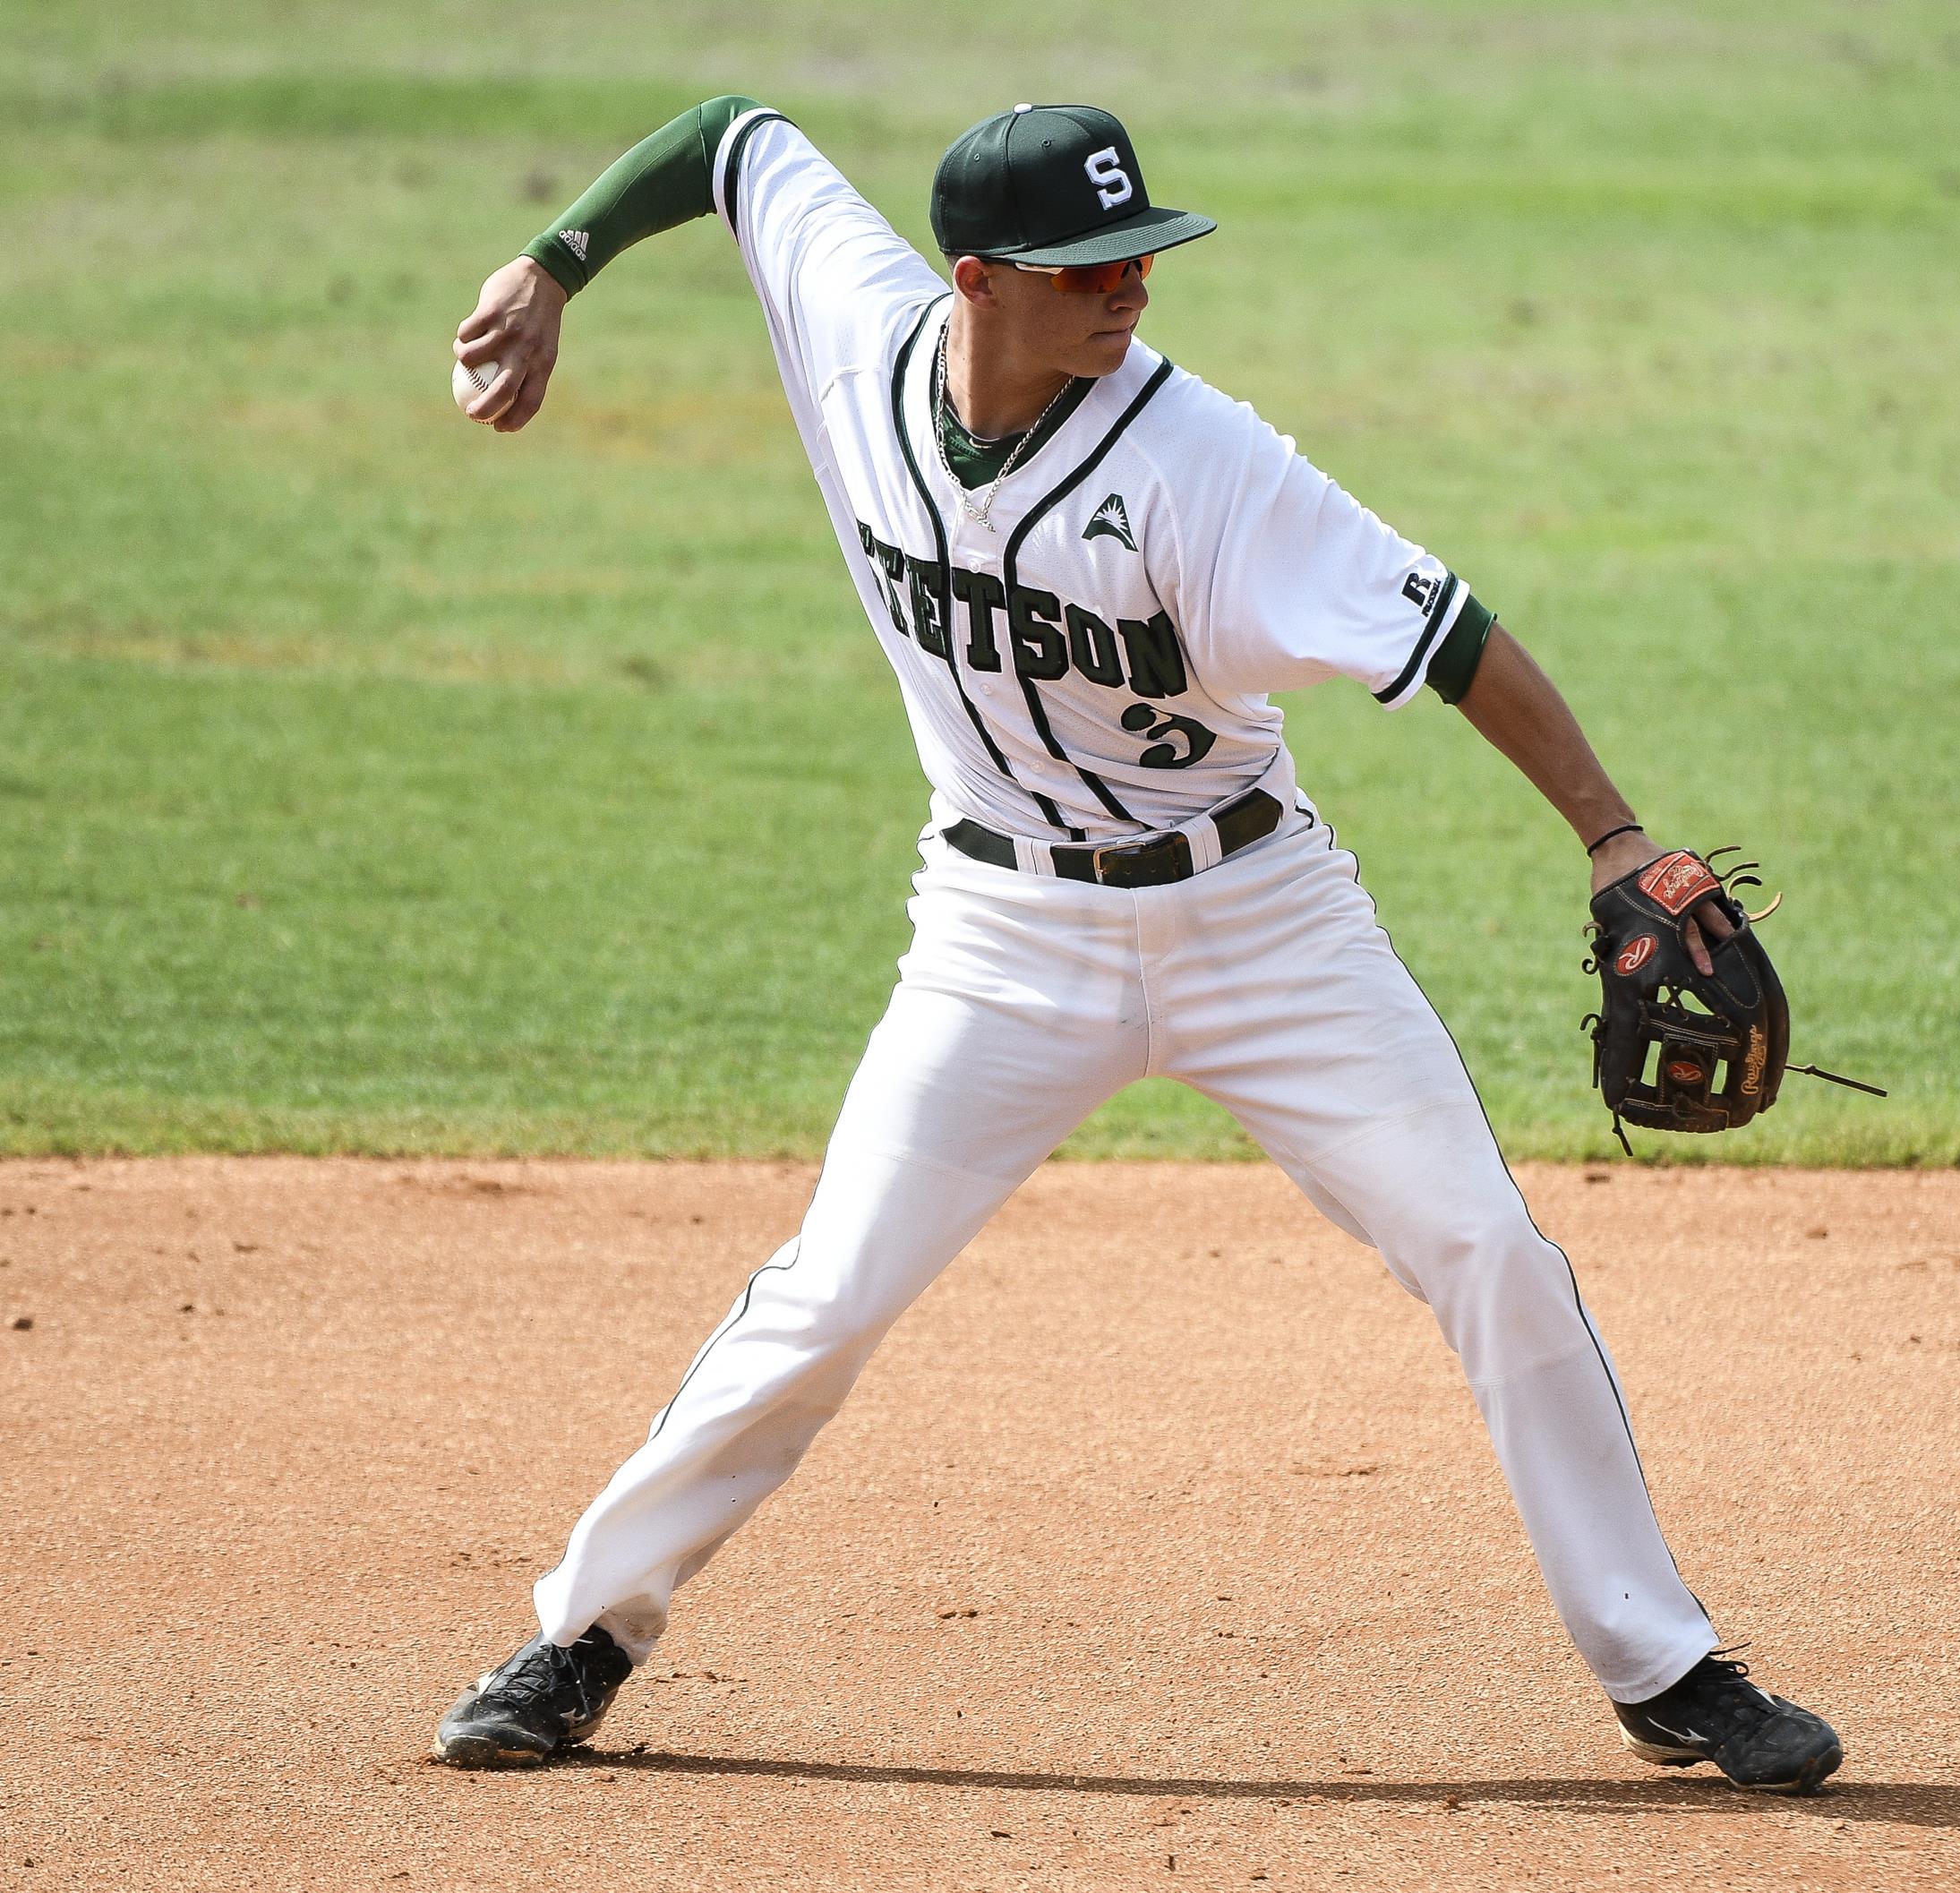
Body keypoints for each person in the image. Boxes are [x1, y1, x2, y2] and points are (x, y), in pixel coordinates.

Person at [434, 97, 1840, 1794]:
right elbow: (734, 143)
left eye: (1141, 258)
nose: (1131, 294)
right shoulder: (863, 334)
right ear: (973, 278)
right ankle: (581, 1634)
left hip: (1260, 923)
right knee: (826, 1291)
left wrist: (1616, 836)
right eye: (1090, 267)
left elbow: (1452, 634)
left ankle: (1663, 1662)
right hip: (999, 931)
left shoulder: (1206, 463)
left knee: (1489, 1249)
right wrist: (556, 259)